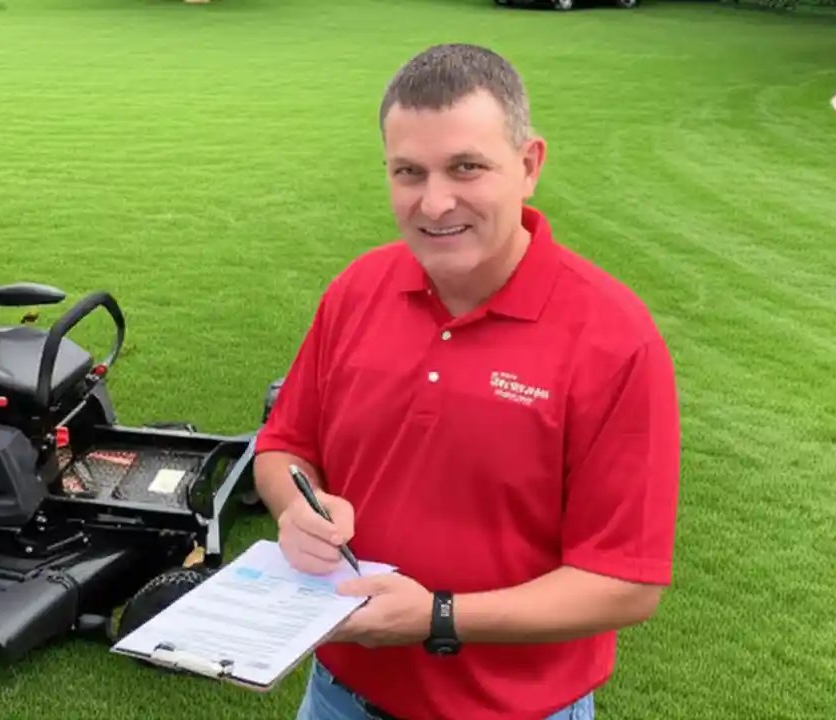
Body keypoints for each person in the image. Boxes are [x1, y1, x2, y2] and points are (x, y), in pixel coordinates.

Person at [251, 42, 681, 720]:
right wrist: (297, 506)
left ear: (529, 165)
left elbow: (625, 582)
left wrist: (439, 617)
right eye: (408, 172)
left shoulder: (613, 338)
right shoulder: (358, 289)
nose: (434, 202)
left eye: (466, 167)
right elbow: (284, 447)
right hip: (338, 697)